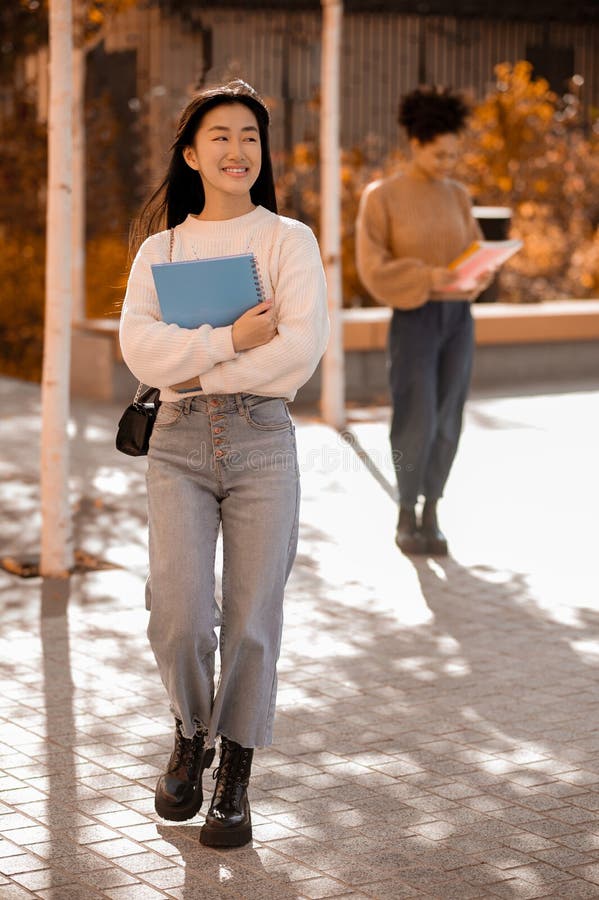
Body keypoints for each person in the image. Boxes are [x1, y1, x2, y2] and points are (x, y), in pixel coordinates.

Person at [119, 79, 329, 848]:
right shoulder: (161, 248)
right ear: (190, 154)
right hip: (175, 445)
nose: (237, 149)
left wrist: (194, 368)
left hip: (260, 440)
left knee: (250, 619)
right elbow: (138, 350)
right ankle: (189, 731)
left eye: (249, 136)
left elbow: (298, 354)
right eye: (219, 136)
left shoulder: (287, 240)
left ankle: (234, 767)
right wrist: (231, 341)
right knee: (176, 614)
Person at [355, 86, 493, 557]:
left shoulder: (457, 194)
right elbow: (373, 268)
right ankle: (405, 511)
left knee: (449, 416)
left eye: (454, 155)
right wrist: (434, 277)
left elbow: (472, 252)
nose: (447, 164)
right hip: (413, 318)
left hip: (459, 319)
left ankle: (432, 509)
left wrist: (481, 272)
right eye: (440, 154)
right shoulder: (383, 197)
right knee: (416, 418)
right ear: (416, 143)